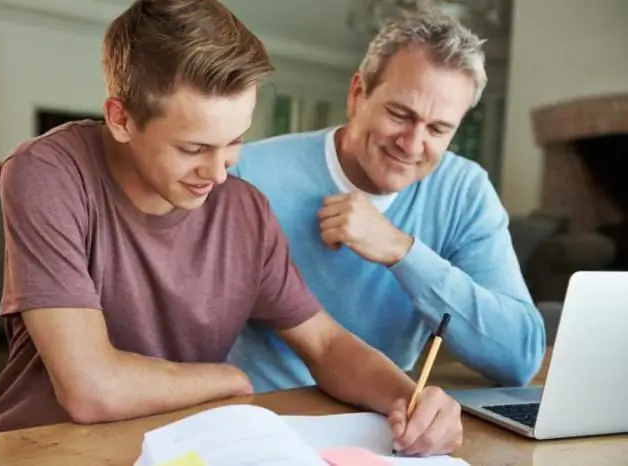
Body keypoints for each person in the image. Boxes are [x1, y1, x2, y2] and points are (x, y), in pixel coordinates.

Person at [0, 0, 463, 457]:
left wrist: (412, 400)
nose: (220, 172)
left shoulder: (244, 210)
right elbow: (91, 389)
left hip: (173, 451)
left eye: (235, 142)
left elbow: (326, 344)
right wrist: (227, 378)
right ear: (120, 118)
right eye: (193, 148)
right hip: (34, 449)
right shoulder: (49, 174)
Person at [227, 9, 547, 395]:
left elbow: (520, 359)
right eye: (400, 114)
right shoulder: (249, 171)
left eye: (438, 128)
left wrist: (403, 252)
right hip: (265, 415)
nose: (412, 144)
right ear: (357, 94)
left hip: (384, 417)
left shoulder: (465, 191)